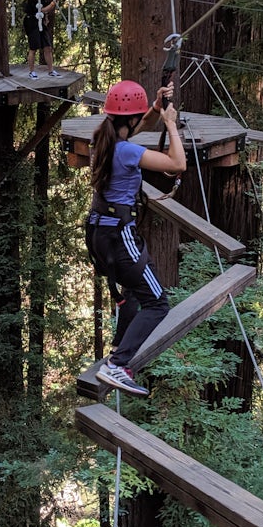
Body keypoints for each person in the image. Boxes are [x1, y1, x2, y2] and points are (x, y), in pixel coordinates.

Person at [86, 80, 186, 396]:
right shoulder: (128, 151)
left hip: (99, 232)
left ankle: (119, 345)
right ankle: (118, 365)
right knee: (158, 303)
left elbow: (139, 126)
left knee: (132, 288)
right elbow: (177, 164)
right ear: (128, 119)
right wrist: (170, 124)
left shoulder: (105, 137)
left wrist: (156, 107)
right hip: (118, 235)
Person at [23, 0, 59, 79]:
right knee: (33, 48)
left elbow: (43, 12)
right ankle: (31, 71)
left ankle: (51, 70)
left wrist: (46, 18)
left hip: (40, 22)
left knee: (47, 46)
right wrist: (53, 3)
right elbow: (41, 9)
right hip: (32, 22)